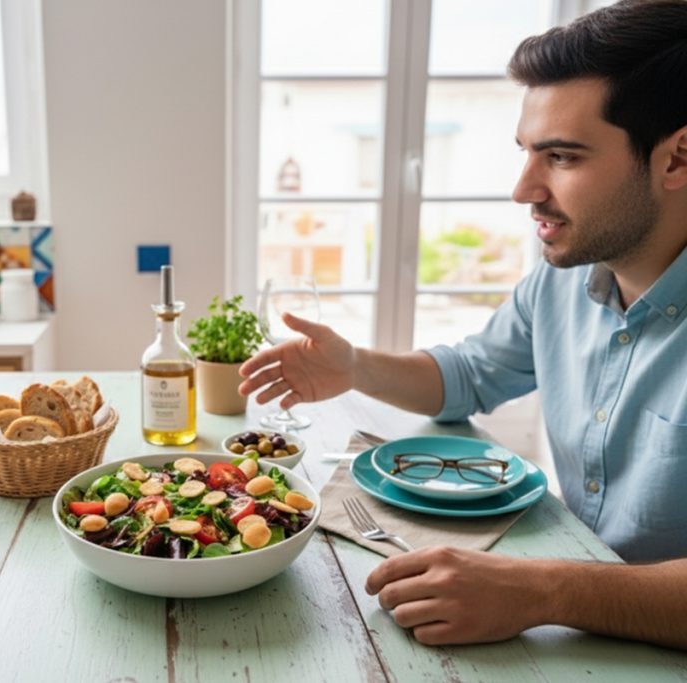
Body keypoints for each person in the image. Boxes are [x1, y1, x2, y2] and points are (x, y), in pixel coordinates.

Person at [239, 0, 687, 650]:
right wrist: (355, 366)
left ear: (677, 159)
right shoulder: (561, 281)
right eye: (527, 152)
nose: (523, 188)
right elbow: (470, 376)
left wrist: (543, 590)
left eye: (561, 157)